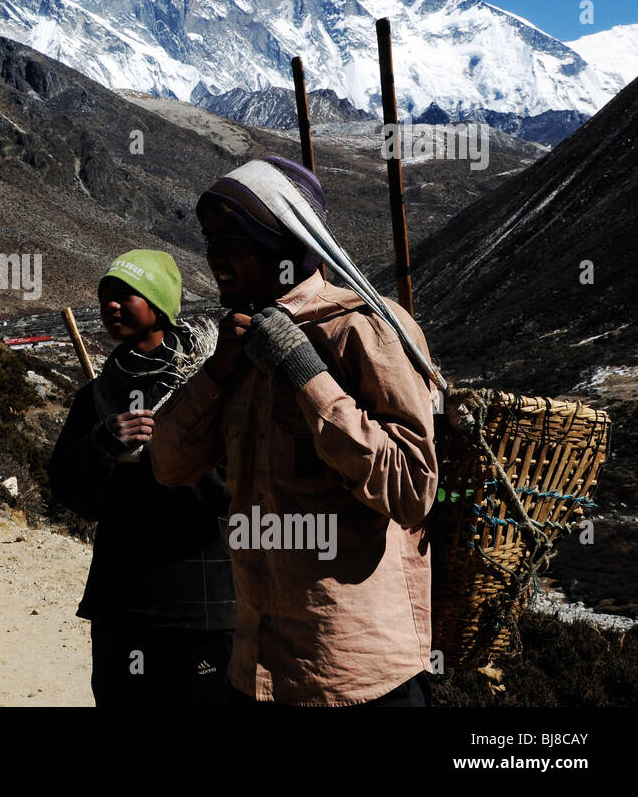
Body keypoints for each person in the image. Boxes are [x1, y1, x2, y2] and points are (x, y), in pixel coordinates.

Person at [151, 156, 439, 707]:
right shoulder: (239, 342)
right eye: (209, 239)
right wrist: (218, 370)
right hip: (257, 671)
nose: (215, 257)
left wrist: (306, 377)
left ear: (282, 242)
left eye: (233, 239)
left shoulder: (366, 328)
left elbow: (411, 488)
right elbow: (169, 465)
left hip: (357, 675)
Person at [48, 250, 235, 707]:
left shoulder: (211, 388)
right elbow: (68, 491)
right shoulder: (94, 398)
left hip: (201, 599)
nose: (110, 305)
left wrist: (169, 456)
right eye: (104, 296)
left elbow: (237, 486)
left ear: (159, 307)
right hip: (122, 598)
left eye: (125, 295)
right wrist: (102, 444)